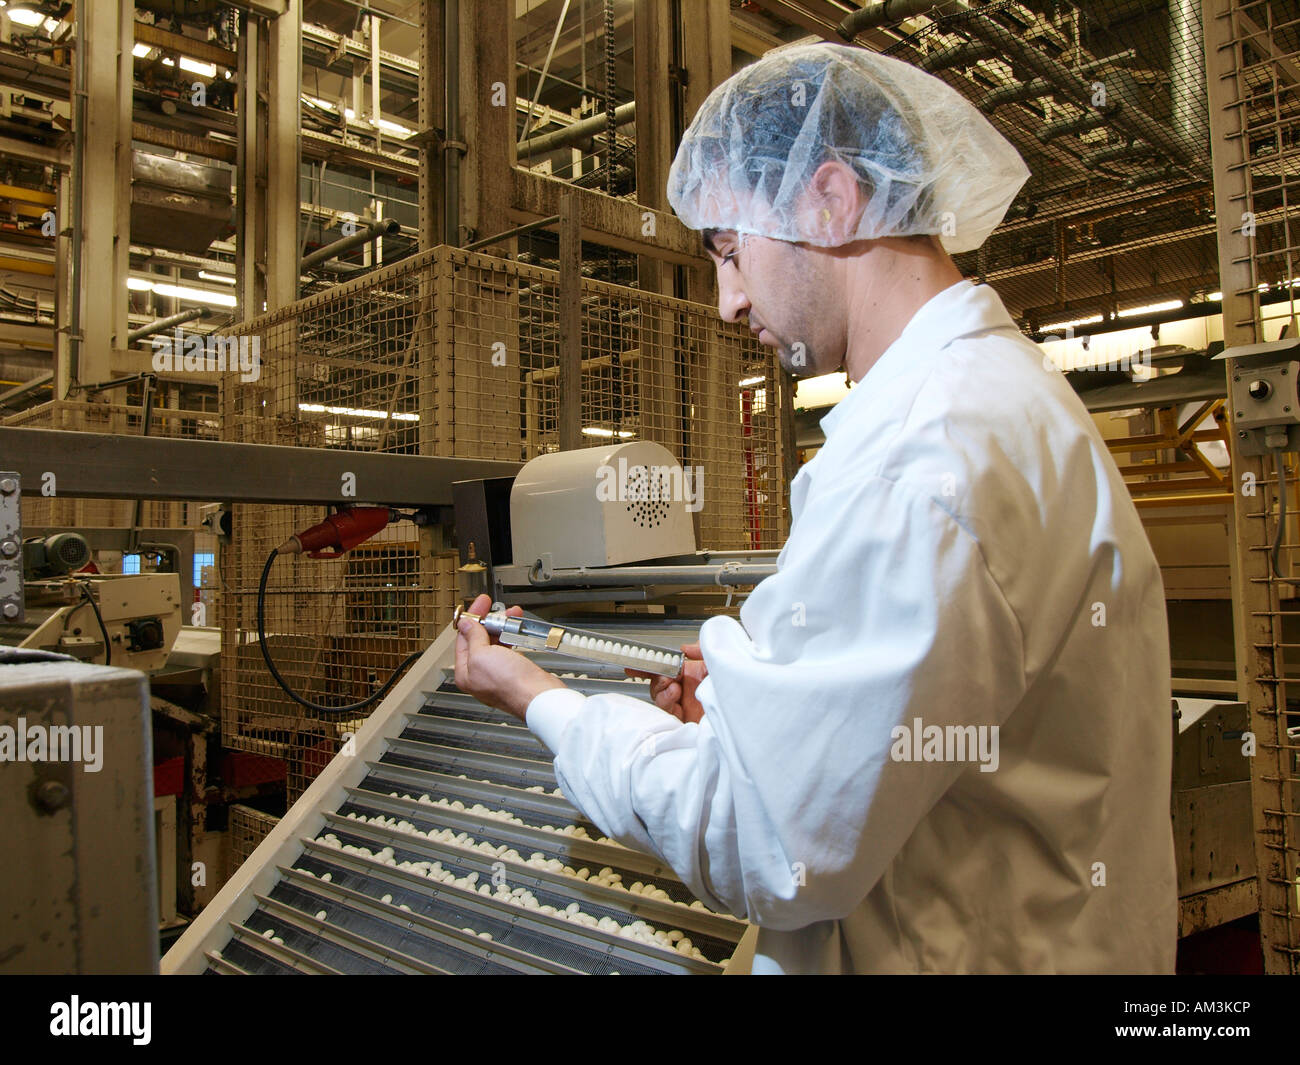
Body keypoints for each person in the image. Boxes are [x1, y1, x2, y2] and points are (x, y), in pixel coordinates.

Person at [454, 41, 1177, 973]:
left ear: (828, 202)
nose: (726, 299)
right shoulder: (1004, 398)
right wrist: (768, 723)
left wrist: (541, 700)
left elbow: (763, 842)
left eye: (728, 249)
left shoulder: (919, 458)